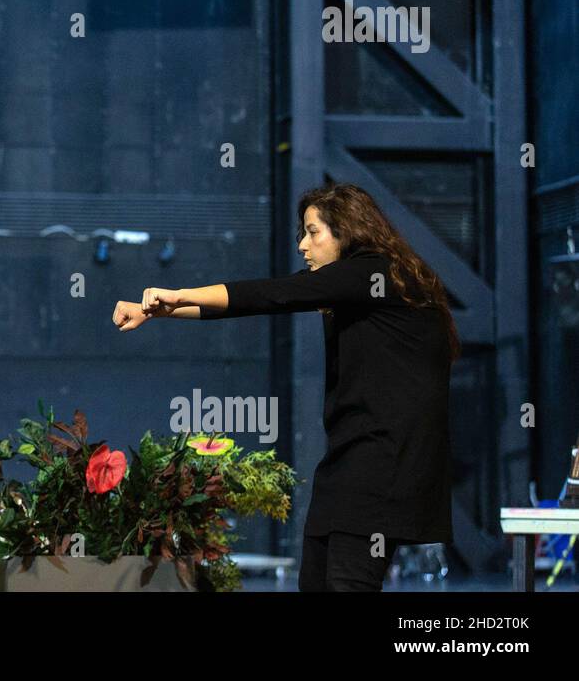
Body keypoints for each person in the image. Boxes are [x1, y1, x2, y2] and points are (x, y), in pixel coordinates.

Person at [112, 182, 458, 592]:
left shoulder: (373, 273)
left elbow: (273, 294)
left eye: (313, 232)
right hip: (348, 464)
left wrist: (178, 294)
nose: (302, 245)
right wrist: (161, 312)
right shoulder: (358, 281)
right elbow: (254, 300)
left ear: (348, 231)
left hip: (381, 468)